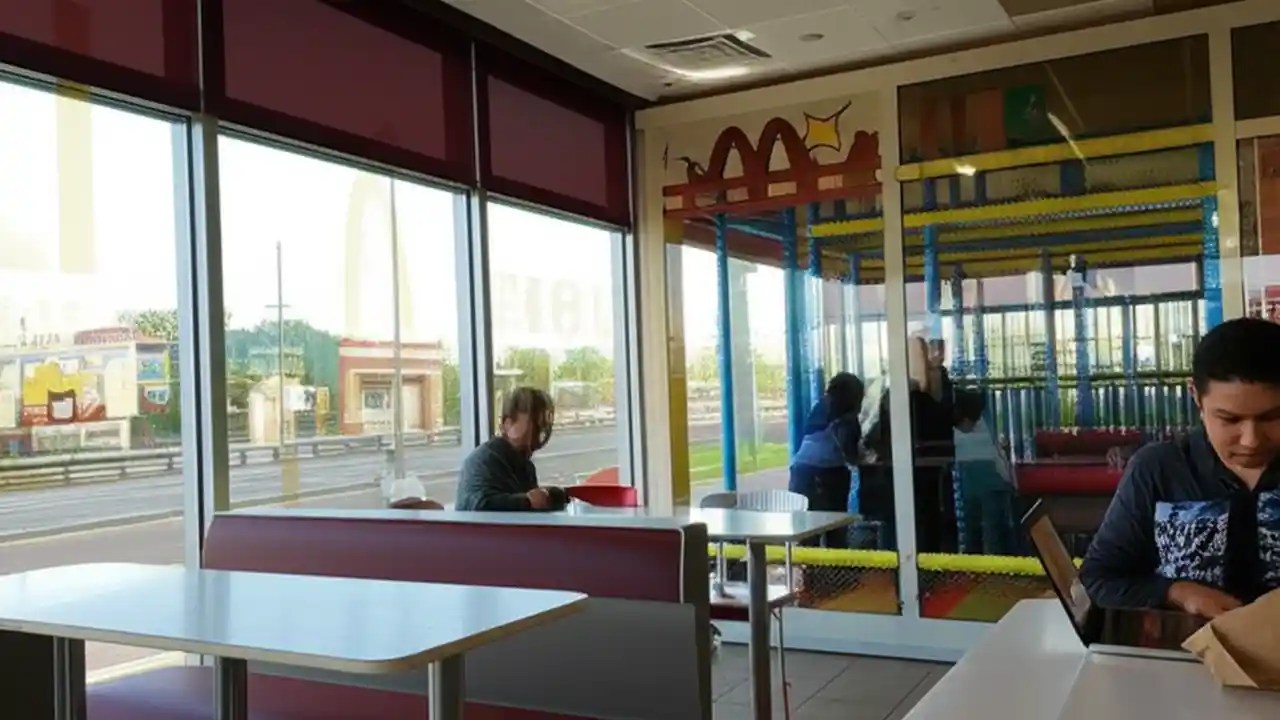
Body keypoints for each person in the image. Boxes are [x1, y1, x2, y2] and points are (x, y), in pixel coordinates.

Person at [1081, 318, 1280, 618]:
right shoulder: (1159, 469)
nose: (1251, 441)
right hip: (1182, 658)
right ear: (1196, 397)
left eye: (1272, 418)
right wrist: (1175, 592)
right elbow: (1097, 580)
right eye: (1229, 420)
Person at [455, 386, 568, 511]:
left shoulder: (524, 465)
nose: (539, 433)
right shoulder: (485, 459)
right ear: (508, 424)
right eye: (534, 425)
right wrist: (527, 501)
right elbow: (478, 505)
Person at [789, 372, 865, 547]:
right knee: (835, 527)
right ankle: (834, 572)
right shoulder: (845, 417)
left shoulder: (821, 406)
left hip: (800, 471)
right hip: (826, 475)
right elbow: (850, 453)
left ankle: (809, 571)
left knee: (807, 531)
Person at [952, 389, 1016, 555]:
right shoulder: (987, 421)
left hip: (976, 485)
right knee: (992, 534)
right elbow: (999, 453)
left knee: (974, 533)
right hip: (993, 484)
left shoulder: (959, 431)